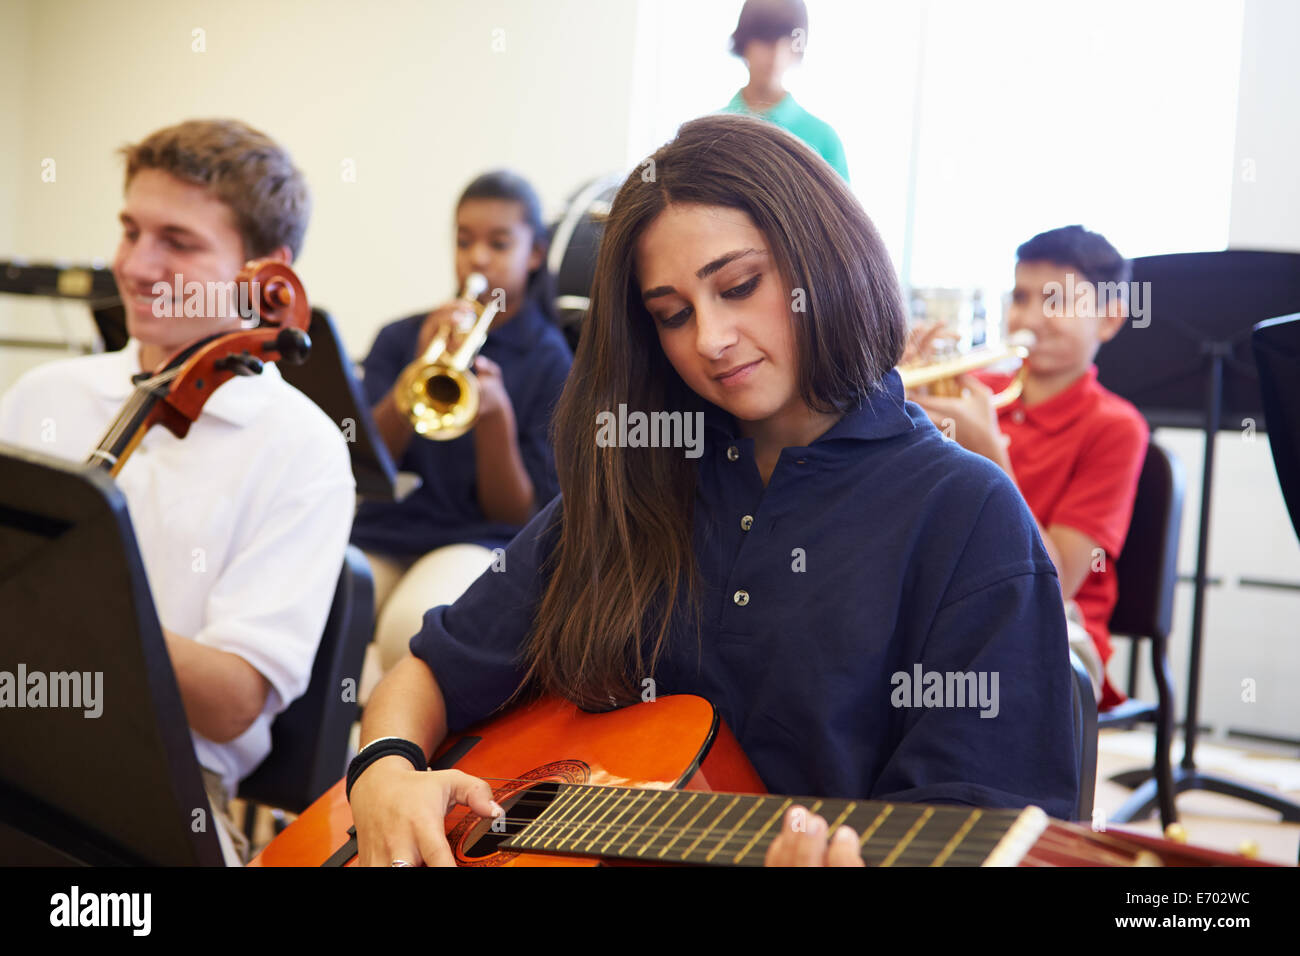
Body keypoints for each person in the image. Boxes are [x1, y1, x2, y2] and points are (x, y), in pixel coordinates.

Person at [347, 113, 1078, 868]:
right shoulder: (639, 474)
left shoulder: (967, 514)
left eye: (739, 286)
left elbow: (985, 822)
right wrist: (385, 770)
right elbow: (431, 668)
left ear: (823, 258)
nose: (709, 339)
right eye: (671, 315)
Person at [0, 119, 355, 864]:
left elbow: (231, 703)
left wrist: (69, 606)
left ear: (266, 273)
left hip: (156, 802)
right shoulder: (44, 393)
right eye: (130, 230)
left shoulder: (303, 447)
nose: (135, 264)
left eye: (178, 242)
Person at [910, 226, 1149, 709]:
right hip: (951, 605)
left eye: (1057, 300)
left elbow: (1057, 583)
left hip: (1055, 627)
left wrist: (990, 453)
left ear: (1108, 319)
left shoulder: (1116, 427)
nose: (1031, 317)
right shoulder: (971, 390)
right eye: (1021, 297)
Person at [351, 171, 572, 681]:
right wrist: (412, 378)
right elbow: (366, 467)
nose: (477, 258)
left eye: (498, 243)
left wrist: (494, 419)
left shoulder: (551, 358)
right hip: (388, 529)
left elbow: (520, 514)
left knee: (410, 624)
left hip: (484, 541)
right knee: (322, 595)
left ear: (534, 254)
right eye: (464, 240)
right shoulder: (402, 335)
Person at [719, 0, 850, 181]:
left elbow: (839, 210)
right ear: (744, 41)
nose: (777, 54)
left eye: (789, 41)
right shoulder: (710, 133)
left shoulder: (824, 140)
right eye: (766, 40)